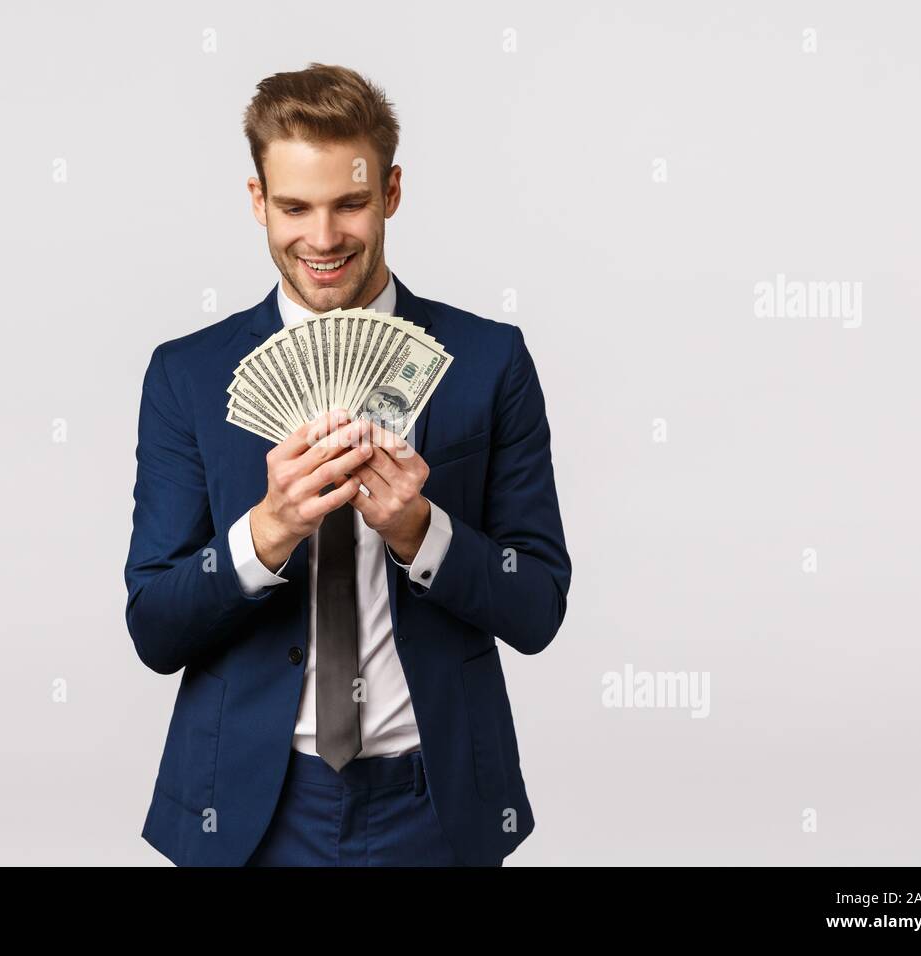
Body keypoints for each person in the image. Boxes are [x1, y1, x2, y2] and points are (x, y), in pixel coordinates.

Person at [124, 63, 571, 866]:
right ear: (257, 201)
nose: (323, 239)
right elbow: (154, 626)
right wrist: (265, 534)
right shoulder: (185, 376)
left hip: (437, 803)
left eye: (350, 204)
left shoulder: (487, 362)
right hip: (250, 804)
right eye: (294, 206)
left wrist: (422, 532)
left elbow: (538, 606)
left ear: (391, 191)